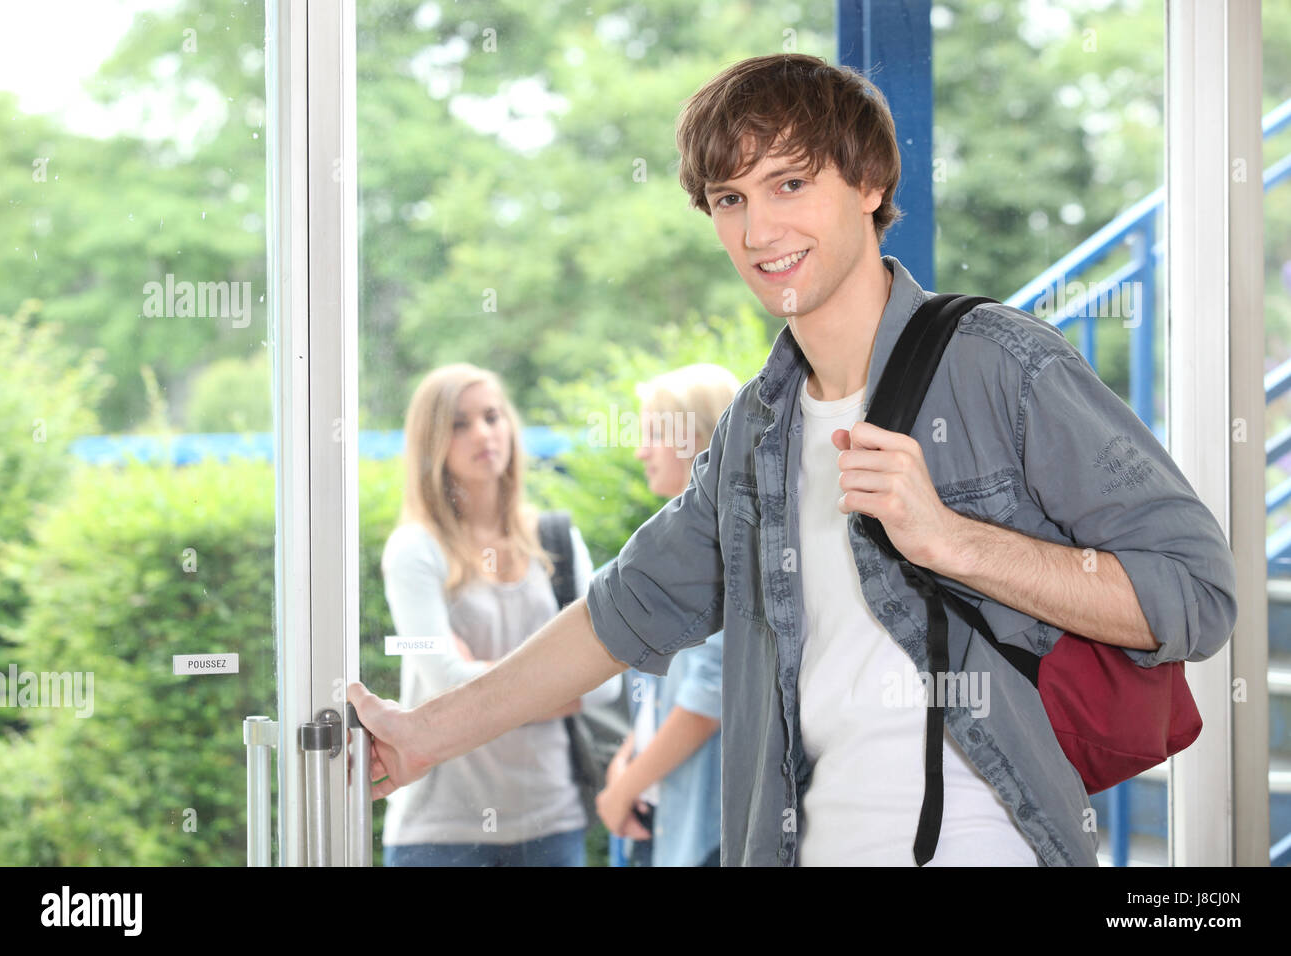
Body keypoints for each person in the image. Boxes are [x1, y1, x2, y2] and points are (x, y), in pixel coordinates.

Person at [350, 54, 1238, 867]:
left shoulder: (999, 366)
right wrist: (426, 734)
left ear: (869, 184)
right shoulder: (754, 433)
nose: (758, 228)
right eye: (730, 199)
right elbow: (620, 612)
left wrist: (954, 541)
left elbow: (1195, 597)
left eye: (790, 183)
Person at [378, 362, 619, 866]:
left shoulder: (556, 540)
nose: (483, 433)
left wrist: (479, 679)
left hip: (550, 823)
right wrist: (558, 679)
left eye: (492, 416)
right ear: (431, 441)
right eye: (460, 423)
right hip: (440, 833)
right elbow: (444, 680)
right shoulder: (415, 549)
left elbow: (607, 682)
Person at [595, 364, 738, 867]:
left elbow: (706, 701)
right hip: (664, 824)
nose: (639, 450)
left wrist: (621, 789)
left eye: (653, 433)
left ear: (698, 440)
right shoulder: (682, 552)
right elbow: (668, 694)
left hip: (701, 835)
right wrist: (628, 757)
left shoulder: (725, 552)